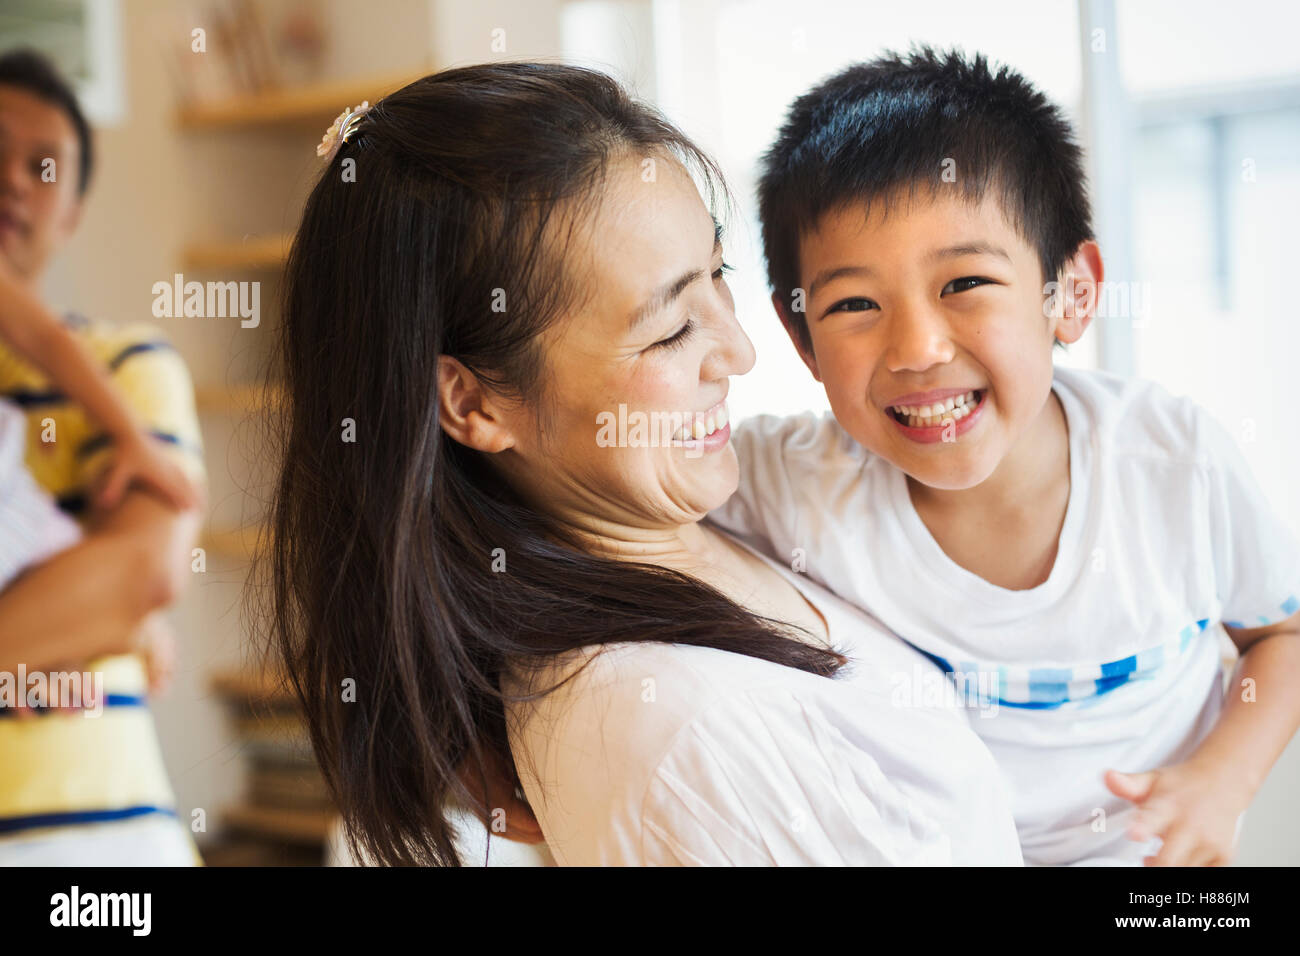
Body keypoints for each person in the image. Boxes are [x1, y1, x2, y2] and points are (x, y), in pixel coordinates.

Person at [262, 62, 1023, 866]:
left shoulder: (727, 517)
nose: (738, 351)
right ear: (474, 404)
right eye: (667, 333)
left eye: (719, 276)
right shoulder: (674, 728)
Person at [707, 48, 1300, 866]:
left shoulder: (1170, 460)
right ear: (799, 336)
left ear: (1071, 292)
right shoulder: (792, 479)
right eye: (853, 304)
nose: (915, 348)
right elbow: (613, 500)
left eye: (965, 284)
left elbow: (1284, 637)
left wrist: (1221, 780)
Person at [0, 47, 206, 863]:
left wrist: (125, 434)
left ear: (73, 213)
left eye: (43, 167)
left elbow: (136, 574)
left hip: (97, 844)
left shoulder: (126, 365)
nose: (14, 179)